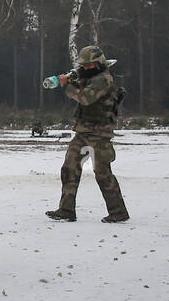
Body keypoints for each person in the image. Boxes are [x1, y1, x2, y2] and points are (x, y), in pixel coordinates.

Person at [45, 45, 129, 223]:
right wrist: (73, 80)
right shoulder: (90, 77)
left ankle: (118, 212)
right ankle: (66, 209)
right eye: (84, 65)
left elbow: (85, 98)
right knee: (69, 168)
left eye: (90, 65)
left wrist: (67, 85)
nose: (86, 68)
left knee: (102, 173)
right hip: (83, 131)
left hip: (100, 133)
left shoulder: (103, 79)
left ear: (98, 63)